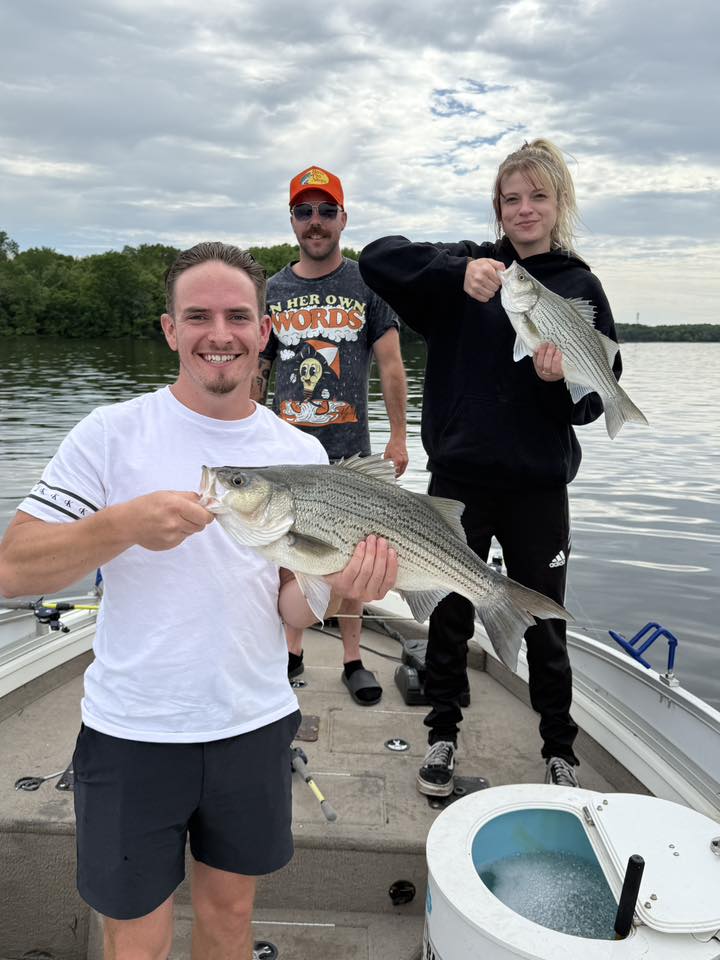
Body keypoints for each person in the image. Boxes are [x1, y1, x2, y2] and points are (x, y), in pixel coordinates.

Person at [0, 241, 398, 960]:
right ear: (170, 330)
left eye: (239, 316)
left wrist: (345, 588)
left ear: (265, 330)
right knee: (136, 941)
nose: (221, 334)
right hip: (133, 731)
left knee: (228, 919)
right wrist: (119, 525)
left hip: (253, 721)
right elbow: (13, 570)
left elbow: (292, 610)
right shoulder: (110, 434)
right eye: (199, 315)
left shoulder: (301, 453)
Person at [359, 139, 623, 796]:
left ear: (558, 202)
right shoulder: (469, 272)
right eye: (512, 198)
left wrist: (559, 383)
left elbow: (591, 403)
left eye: (538, 195)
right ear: (498, 208)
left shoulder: (579, 285)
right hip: (460, 481)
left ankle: (558, 750)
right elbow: (377, 259)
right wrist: (458, 275)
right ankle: (443, 733)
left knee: (545, 618)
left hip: (538, 488)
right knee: (447, 611)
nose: (525, 208)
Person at [252, 165, 408, 706]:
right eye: (303, 211)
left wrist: (399, 438)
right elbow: (259, 369)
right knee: (290, 551)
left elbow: (390, 364)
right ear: (292, 220)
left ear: (342, 217)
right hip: (285, 451)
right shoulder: (271, 289)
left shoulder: (368, 283)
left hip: (349, 450)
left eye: (325, 210)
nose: (314, 222)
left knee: (352, 557)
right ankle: (291, 653)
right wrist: (244, 434)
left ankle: (352, 658)